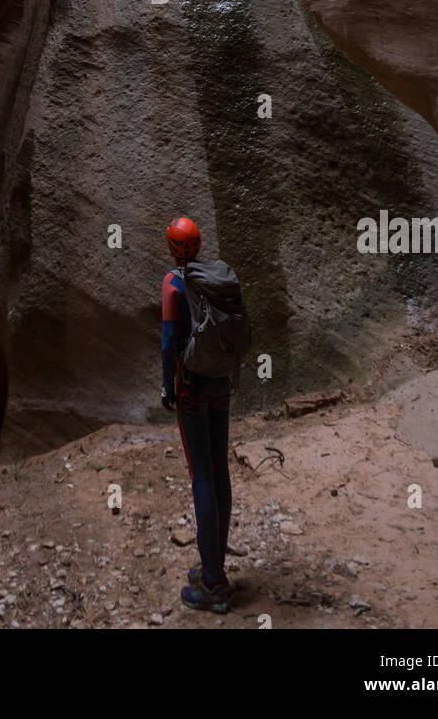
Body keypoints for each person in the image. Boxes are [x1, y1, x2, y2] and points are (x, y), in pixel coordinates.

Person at [161, 217, 234, 614]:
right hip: (221, 383)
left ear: (171, 247)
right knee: (219, 471)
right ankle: (215, 568)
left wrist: (167, 386)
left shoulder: (173, 283)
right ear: (199, 244)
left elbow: (170, 340)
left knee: (201, 475)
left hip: (191, 388)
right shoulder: (217, 278)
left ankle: (213, 583)